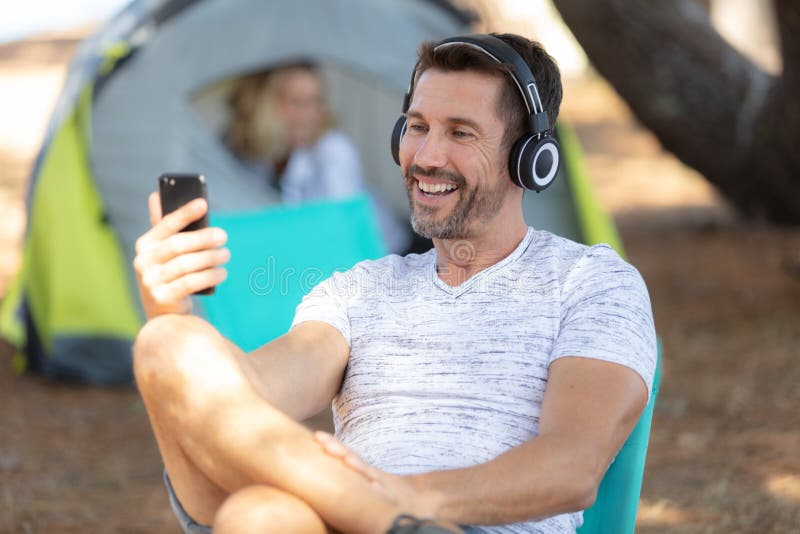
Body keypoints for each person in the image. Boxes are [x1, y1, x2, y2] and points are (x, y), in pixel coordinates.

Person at [132, 32, 656, 533]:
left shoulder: (591, 282)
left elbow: (572, 465)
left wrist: (410, 497)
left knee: (260, 515)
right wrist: (169, 310)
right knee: (168, 345)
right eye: (417, 126)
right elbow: (246, 404)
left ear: (530, 159)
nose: (426, 156)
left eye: (461, 133)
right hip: (354, 523)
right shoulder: (360, 289)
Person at [227, 62, 410, 253]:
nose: (309, 114)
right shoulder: (261, 158)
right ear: (268, 105)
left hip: (391, 255)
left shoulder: (333, 149)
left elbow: (342, 233)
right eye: (297, 102)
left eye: (316, 101)